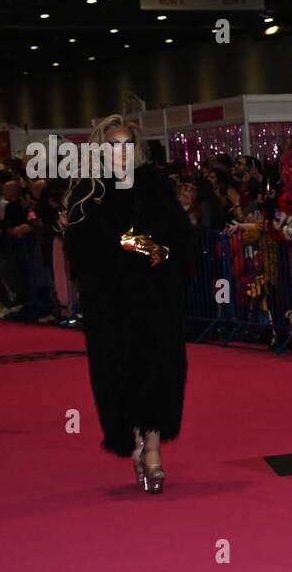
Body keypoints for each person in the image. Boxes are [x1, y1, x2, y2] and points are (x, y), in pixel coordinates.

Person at [61, 115, 194, 493]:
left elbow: (180, 240)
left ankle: (153, 451)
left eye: (126, 145)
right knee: (120, 374)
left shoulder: (156, 186)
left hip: (157, 300)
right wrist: (133, 245)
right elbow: (83, 249)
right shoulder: (91, 191)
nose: (120, 153)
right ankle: (135, 443)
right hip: (111, 305)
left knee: (158, 373)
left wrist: (138, 244)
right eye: (112, 145)